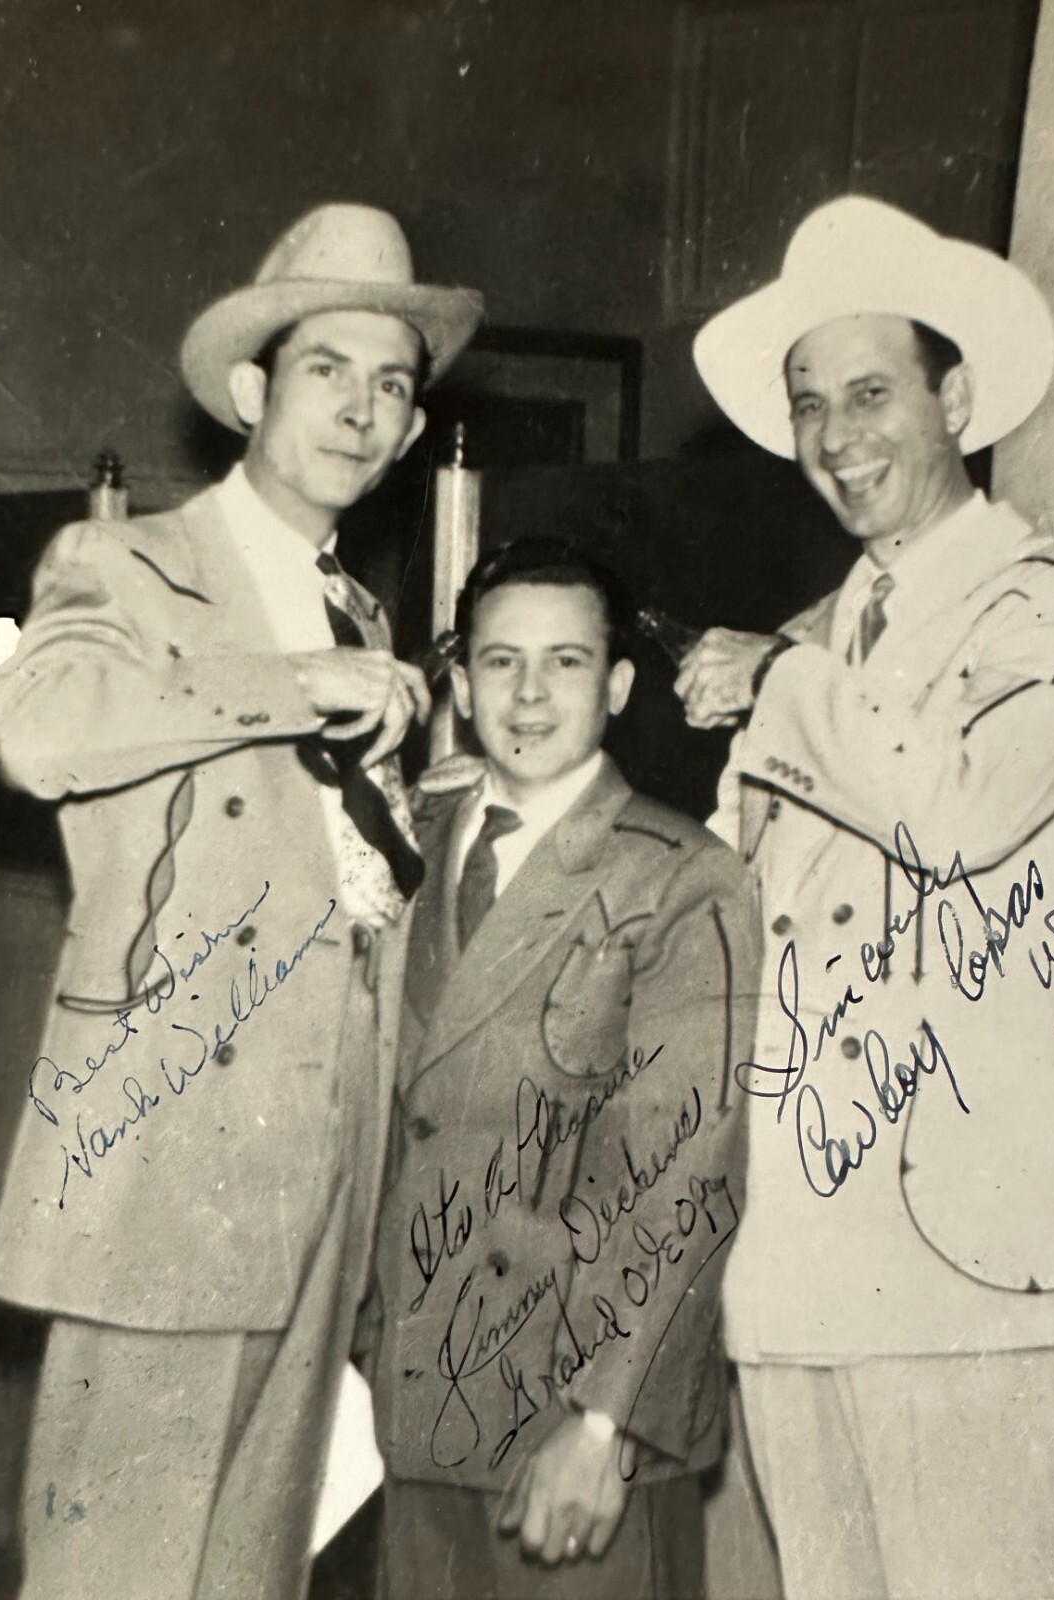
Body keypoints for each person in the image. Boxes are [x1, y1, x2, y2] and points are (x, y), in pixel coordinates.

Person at [0, 203, 483, 1600]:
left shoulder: (362, 615)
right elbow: (39, 727)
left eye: (395, 384)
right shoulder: (129, 562)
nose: (368, 410)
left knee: (256, 1567)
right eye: (330, 369)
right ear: (254, 390)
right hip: (167, 1160)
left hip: (330, 1150)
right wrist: (287, 688)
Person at [676, 195, 1054, 1599]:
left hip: (974, 1255)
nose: (837, 438)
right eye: (811, 402)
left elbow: (952, 814)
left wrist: (781, 684)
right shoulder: (813, 644)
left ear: (955, 396)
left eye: (874, 391)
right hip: (798, 1243)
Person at [365, 540, 762, 1599]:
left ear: (620, 685)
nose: (528, 693)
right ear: (458, 681)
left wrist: (603, 1424)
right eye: (499, 662)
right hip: (407, 1399)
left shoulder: (679, 875)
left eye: (566, 661)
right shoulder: (404, 842)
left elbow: (689, 1177)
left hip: (568, 1413)